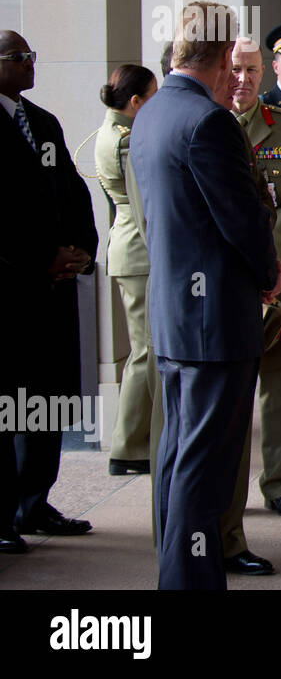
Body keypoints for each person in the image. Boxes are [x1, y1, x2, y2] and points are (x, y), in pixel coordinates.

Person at [130, 2, 281, 589]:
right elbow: (240, 219)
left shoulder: (151, 113)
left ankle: (177, 576)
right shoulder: (209, 121)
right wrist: (269, 272)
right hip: (213, 323)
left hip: (175, 317)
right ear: (224, 58)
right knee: (204, 471)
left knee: (175, 461)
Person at [216, 37, 281, 576]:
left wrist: (266, 259)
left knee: (280, 386)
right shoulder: (210, 124)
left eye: (251, 70)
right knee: (230, 395)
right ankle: (228, 501)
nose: (244, 80)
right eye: (237, 69)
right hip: (229, 284)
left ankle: (280, 485)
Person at [0, 30, 98, 554]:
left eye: (32, 55)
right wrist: (42, 259)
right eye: (19, 58)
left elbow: (74, 192)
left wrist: (82, 249)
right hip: (11, 293)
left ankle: (35, 503)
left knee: (47, 403)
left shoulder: (42, 123)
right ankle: (3, 513)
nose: (30, 64)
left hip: (54, 292)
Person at [94, 63, 158, 476]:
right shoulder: (126, 140)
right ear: (135, 103)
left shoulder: (112, 131)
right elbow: (142, 205)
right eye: (151, 97)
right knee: (146, 351)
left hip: (130, 250)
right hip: (139, 253)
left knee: (144, 350)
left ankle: (134, 442)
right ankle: (131, 445)